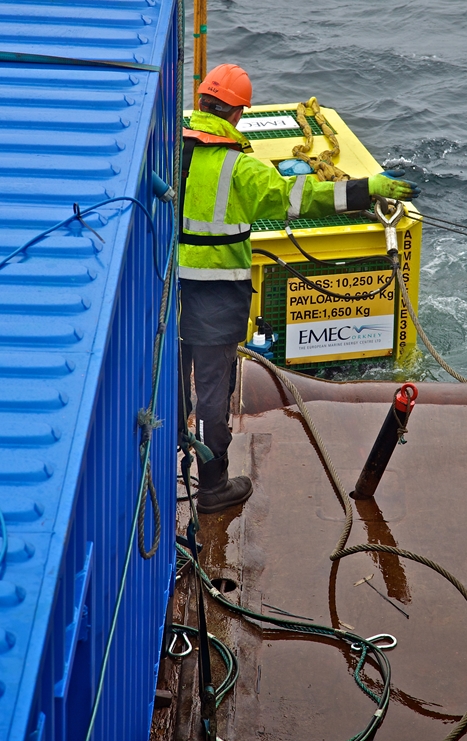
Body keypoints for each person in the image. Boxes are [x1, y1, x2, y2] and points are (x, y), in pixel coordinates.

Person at [178, 63, 419, 513]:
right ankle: (211, 488)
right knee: (211, 393)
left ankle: (158, 465)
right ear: (237, 114)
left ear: (201, 104)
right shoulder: (245, 171)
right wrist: (369, 188)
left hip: (162, 291)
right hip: (215, 298)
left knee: (163, 383)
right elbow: (305, 199)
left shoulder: (167, 152)